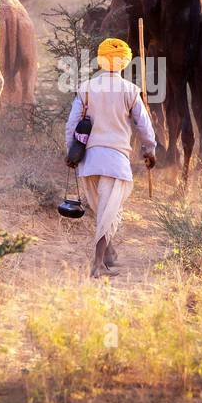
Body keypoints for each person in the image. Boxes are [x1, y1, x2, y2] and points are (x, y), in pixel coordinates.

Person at [64, 37, 156, 277]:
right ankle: (97, 265)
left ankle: (109, 253)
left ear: (100, 61)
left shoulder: (86, 88)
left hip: (89, 162)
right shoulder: (130, 90)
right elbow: (144, 125)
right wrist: (150, 149)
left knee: (104, 211)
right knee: (109, 212)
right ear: (124, 63)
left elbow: (71, 124)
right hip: (115, 161)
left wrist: (70, 152)